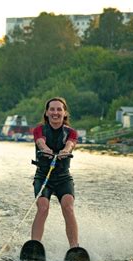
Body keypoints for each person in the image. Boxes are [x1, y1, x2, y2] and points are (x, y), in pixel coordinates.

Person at [31, 97, 79, 248]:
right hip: (43, 176)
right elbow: (40, 141)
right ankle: (35, 245)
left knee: (68, 206)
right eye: (52, 109)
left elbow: (70, 144)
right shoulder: (39, 129)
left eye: (59, 109)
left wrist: (65, 151)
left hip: (63, 177)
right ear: (46, 112)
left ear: (65, 113)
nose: (55, 112)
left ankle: (74, 247)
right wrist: (45, 149)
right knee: (43, 207)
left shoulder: (71, 133)